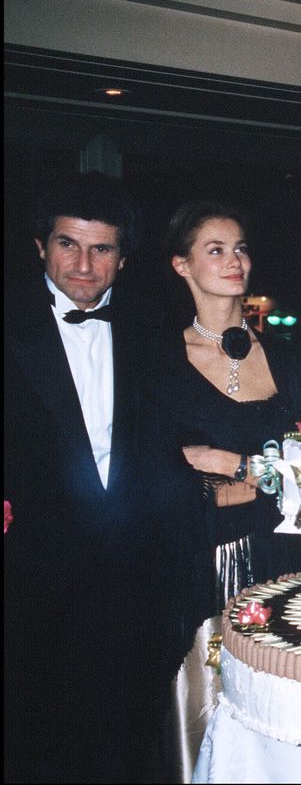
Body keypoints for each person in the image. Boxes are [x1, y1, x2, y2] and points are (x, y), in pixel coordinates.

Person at [3, 174, 200, 782]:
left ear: (122, 257)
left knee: (132, 744)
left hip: (136, 577)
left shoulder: (150, 324)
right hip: (34, 578)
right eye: (68, 245)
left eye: (102, 249)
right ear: (41, 246)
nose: (84, 265)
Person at [160, 201, 301, 779]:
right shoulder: (158, 361)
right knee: (208, 711)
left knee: (285, 717)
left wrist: (231, 465)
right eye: (214, 249)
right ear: (182, 266)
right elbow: (152, 466)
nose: (234, 260)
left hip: (286, 556)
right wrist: (255, 474)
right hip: (198, 565)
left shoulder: (291, 357)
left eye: (239, 248)